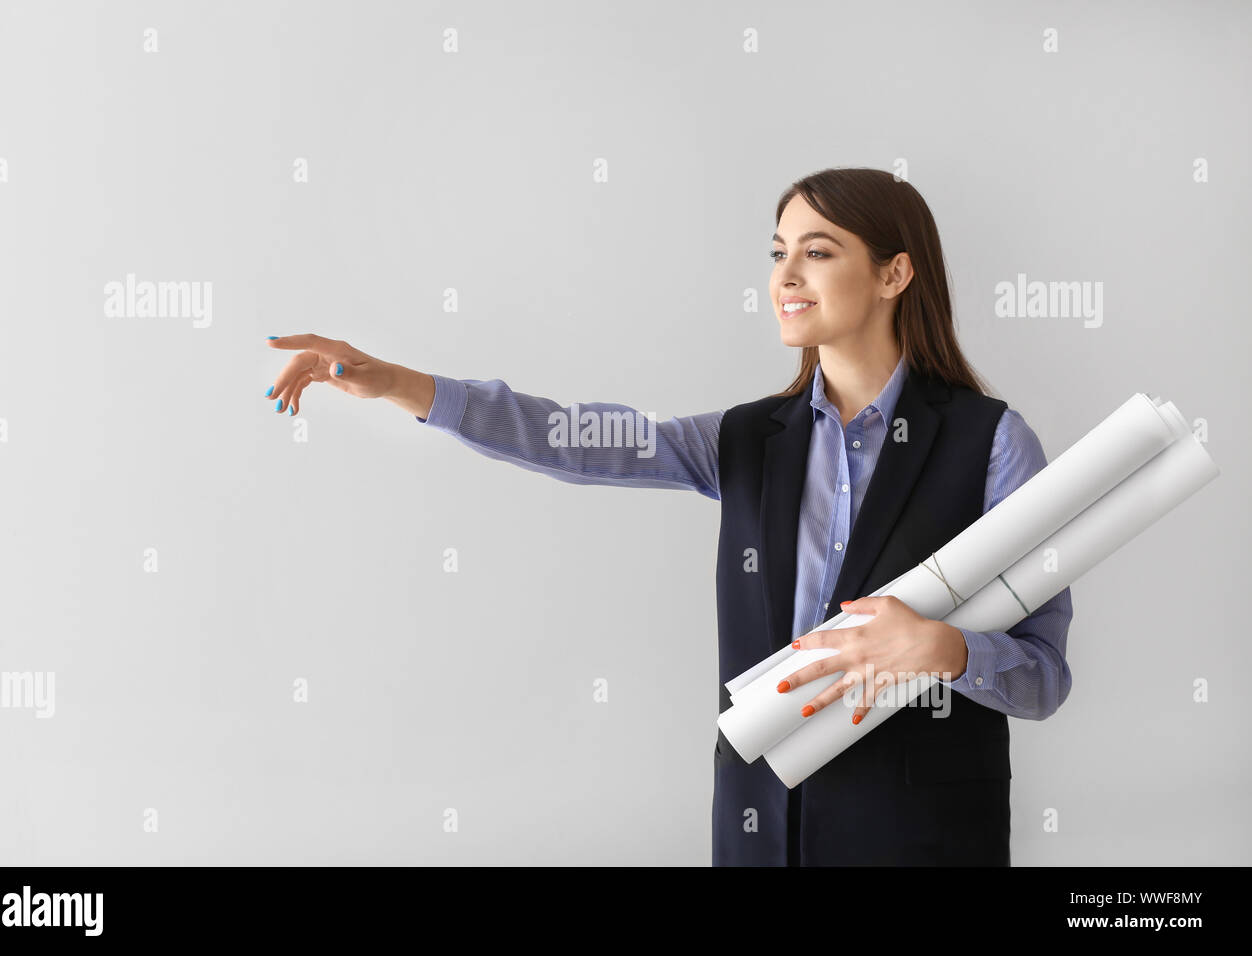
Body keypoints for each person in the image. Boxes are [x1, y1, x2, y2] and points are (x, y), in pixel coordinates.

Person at [260, 166, 1073, 866]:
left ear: (895, 275)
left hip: (921, 835)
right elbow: (575, 438)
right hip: (760, 829)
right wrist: (402, 384)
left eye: (817, 252)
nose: (786, 275)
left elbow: (1043, 679)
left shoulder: (991, 443)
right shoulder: (746, 440)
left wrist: (943, 648)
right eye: (778, 252)